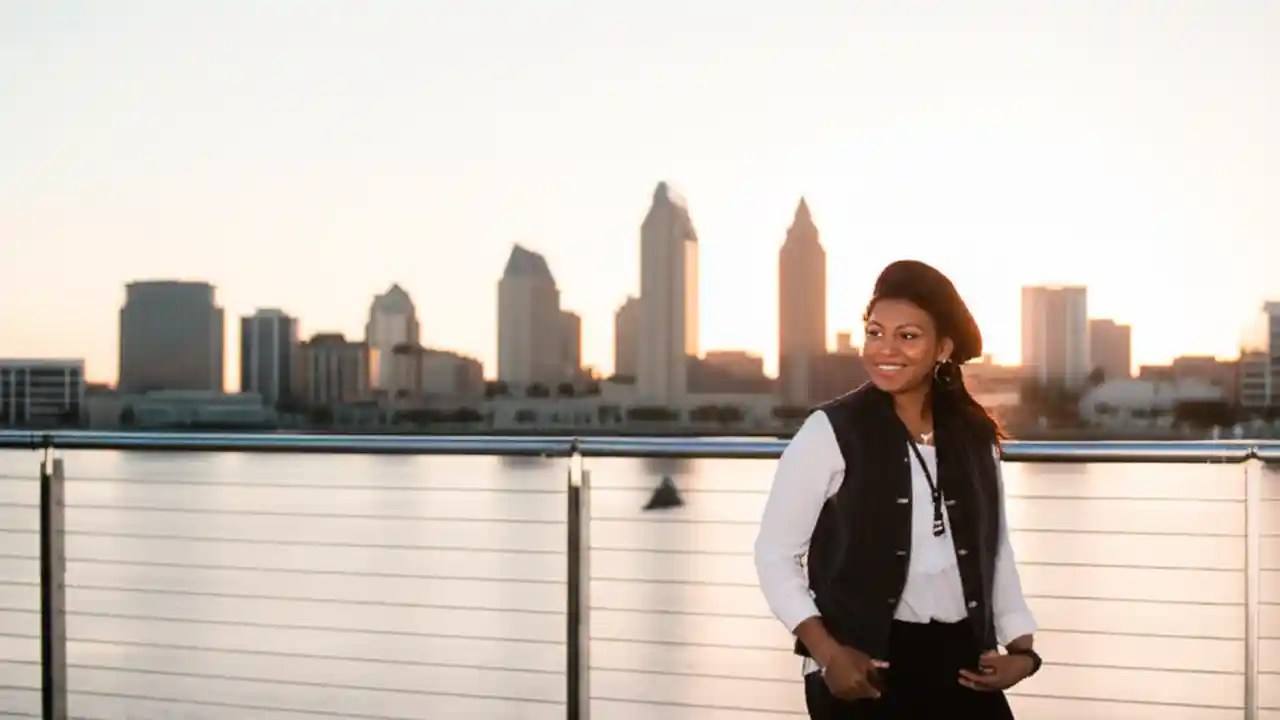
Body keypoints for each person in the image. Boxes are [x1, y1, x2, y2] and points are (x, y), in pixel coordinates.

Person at [754, 260, 1040, 719]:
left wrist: (1023, 654)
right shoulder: (828, 431)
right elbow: (774, 554)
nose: (886, 349)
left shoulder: (973, 437)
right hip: (864, 669)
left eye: (907, 336)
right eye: (874, 332)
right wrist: (828, 654)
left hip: (963, 665)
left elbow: (996, 551)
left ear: (942, 348)